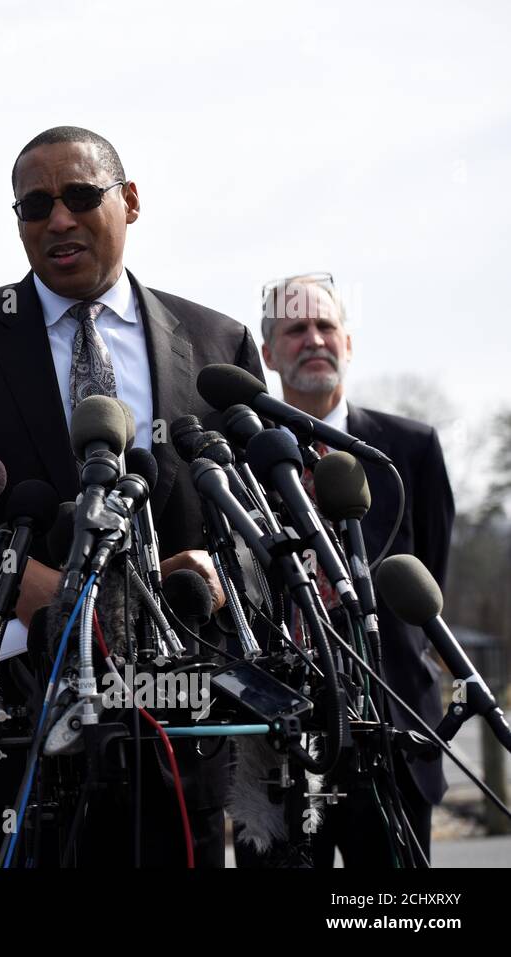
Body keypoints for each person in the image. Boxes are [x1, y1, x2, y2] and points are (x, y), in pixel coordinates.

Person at [0, 126, 267, 867]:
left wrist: (222, 574)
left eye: (79, 195)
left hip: (174, 735)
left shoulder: (216, 343)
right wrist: (19, 587)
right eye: (35, 206)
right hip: (5, 732)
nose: (58, 219)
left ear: (130, 201)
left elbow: (267, 528)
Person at [257, 273, 453, 865]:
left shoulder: (409, 449)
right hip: (276, 741)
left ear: (348, 342)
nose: (313, 339)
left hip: (392, 731)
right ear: (267, 352)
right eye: (295, 329)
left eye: (326, 326)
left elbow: (428, 587)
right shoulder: (234, 457)